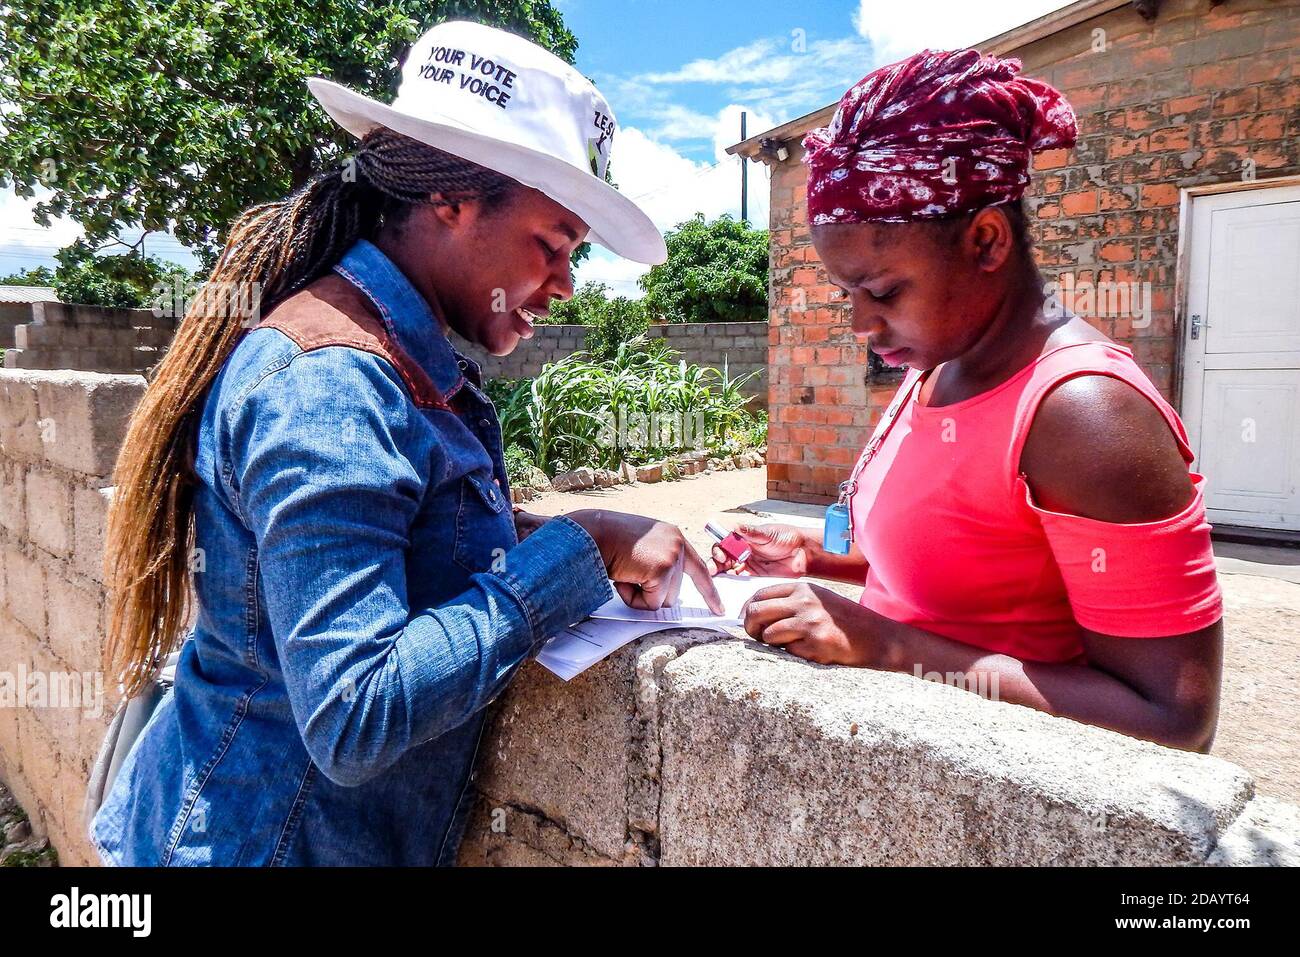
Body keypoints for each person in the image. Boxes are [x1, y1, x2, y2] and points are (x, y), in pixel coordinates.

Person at [92, 20, 721, 866]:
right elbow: (356, 715)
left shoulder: (392, 355)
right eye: (553, 243)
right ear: (452, 202)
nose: (567, 284)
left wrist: (581, 535)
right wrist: (577, 550)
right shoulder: (331, 386)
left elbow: (409, 533)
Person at [712, 49, 1224, 752]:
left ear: (986, 239)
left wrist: (890, 646)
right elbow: (956, 569)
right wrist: (810, 555)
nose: (861, 324)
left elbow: (1173, 720)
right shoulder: (936, 370)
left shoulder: (1083, 413)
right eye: (847, 293)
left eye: (884, 291)